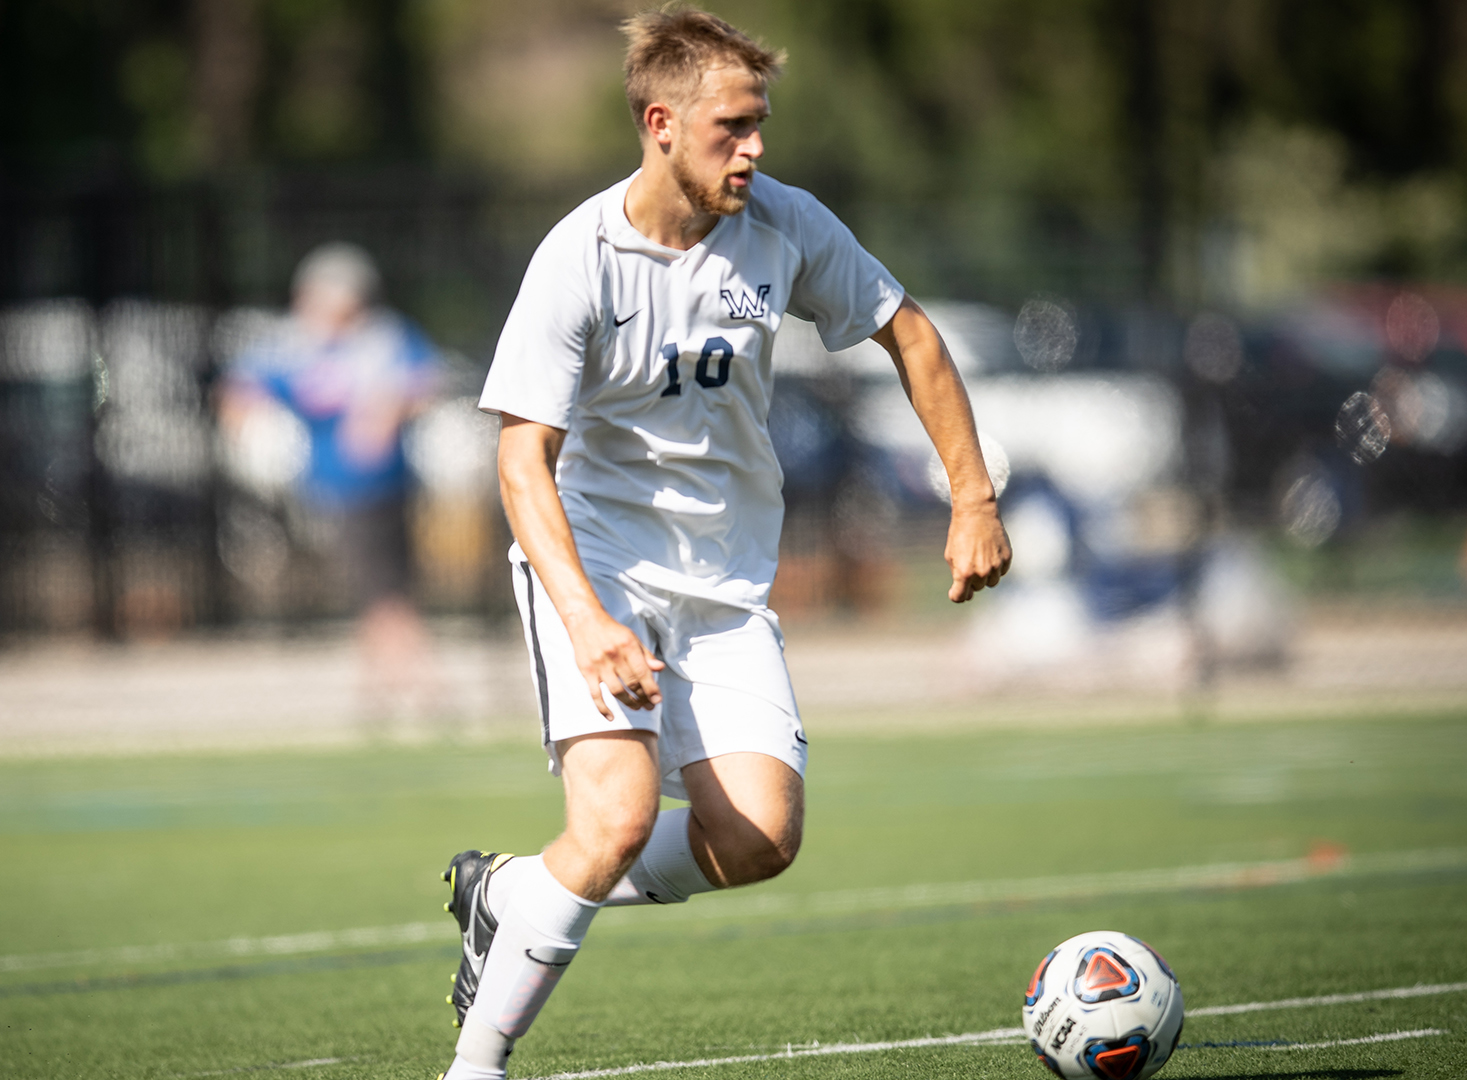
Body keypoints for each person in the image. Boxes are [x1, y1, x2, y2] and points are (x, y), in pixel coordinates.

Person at [438, 9, 1012, 1079]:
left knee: (758, 841)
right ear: (660, 124)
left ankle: (512, 892)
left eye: (760, 126)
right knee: (611, 818)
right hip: (595, 566)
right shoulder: (578, 258)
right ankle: (472, 1069)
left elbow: (912, 333)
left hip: (725, 589)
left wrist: (971, 496)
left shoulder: (784, 224)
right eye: (731, 129)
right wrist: (589, 620)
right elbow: (522, 464)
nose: (754, 149)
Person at [221, 242, 441, 713]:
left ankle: (411, 681)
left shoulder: (382, 339)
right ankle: (387, 683)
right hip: (334, 488)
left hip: (381, 485)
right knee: (372, 586)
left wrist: (387, 410)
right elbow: (242, 390)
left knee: (384, 584)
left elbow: (424, 383)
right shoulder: (295, 344)